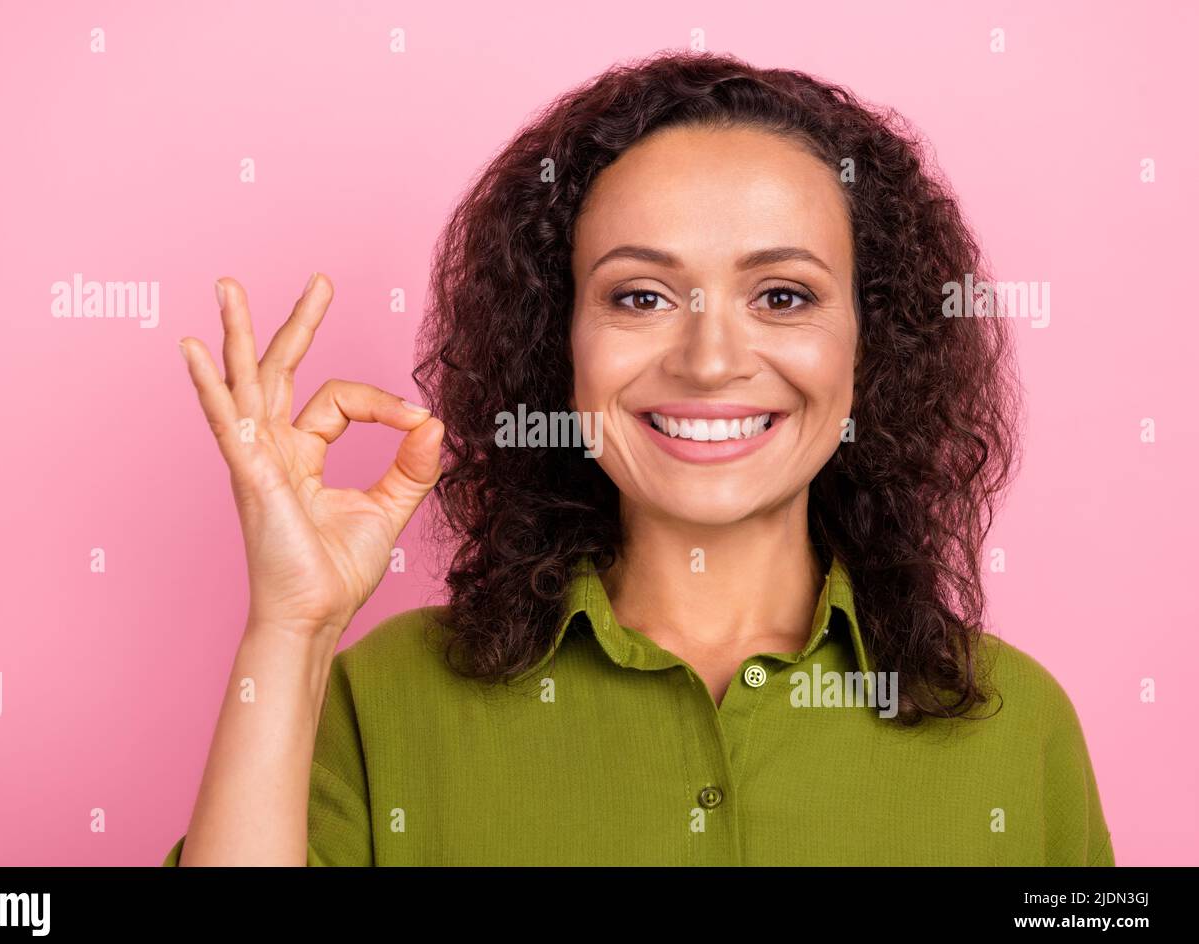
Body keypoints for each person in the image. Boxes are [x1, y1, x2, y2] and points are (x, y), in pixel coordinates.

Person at [164, 50, 1112, 866]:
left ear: (873, 347)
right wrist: (288, 632)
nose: (709, 361)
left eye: (782, 296)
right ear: (558, 343)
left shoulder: (1015, 727)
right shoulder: (382, 699)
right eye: (641, 297)